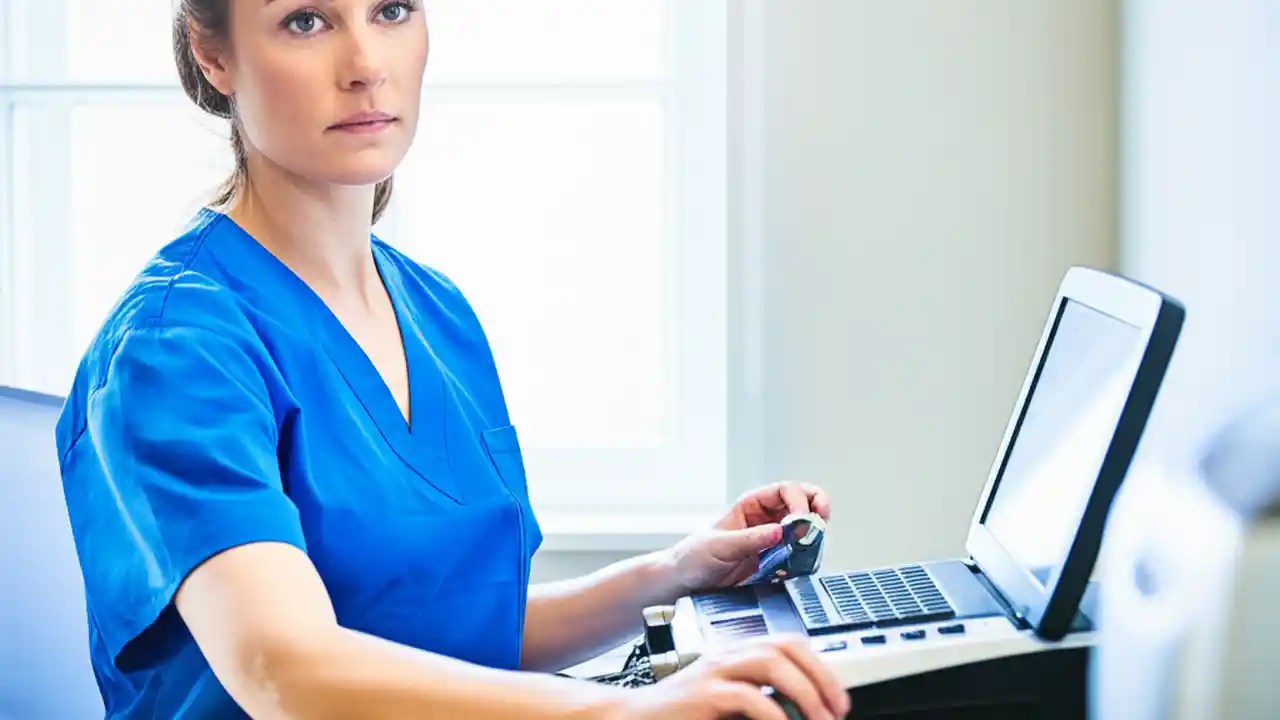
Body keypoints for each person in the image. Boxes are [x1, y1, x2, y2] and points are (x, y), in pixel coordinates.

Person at [54, 1, 852, 718]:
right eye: (306, 20)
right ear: (213, 53)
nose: (366, 64)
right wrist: (621, 714)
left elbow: (458, 637)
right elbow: (283, 670)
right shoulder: (173, 347)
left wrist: (676, 571)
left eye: (391, 11)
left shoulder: (435, 312)